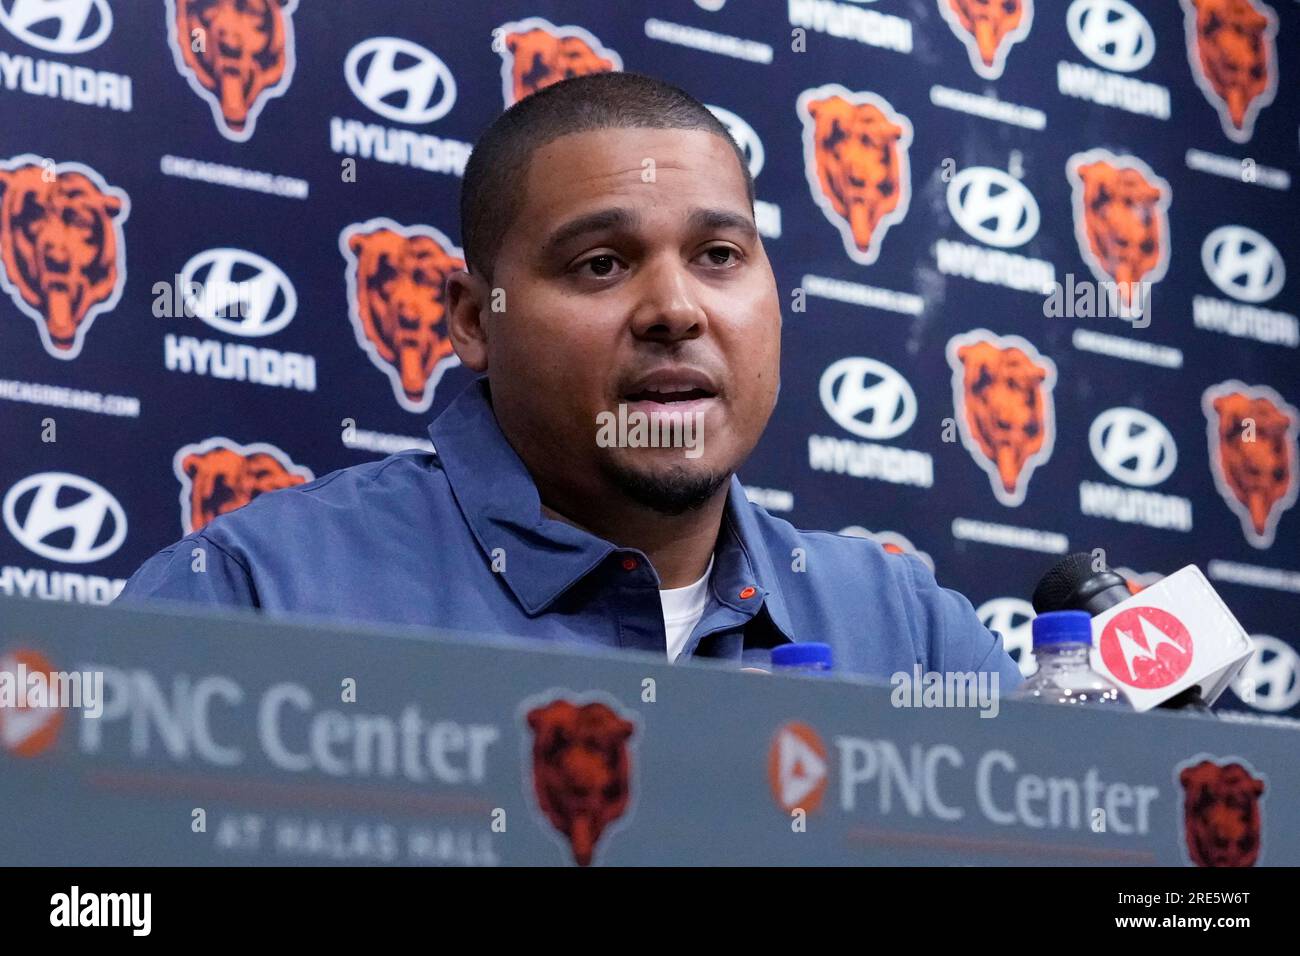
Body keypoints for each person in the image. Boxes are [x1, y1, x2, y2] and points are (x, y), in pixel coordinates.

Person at [116, 71, 1021, 686]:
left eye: (718, 254)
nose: (675, 309)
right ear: (476, 319)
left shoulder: (912, 637)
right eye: (599, 264)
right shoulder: (259, 601)